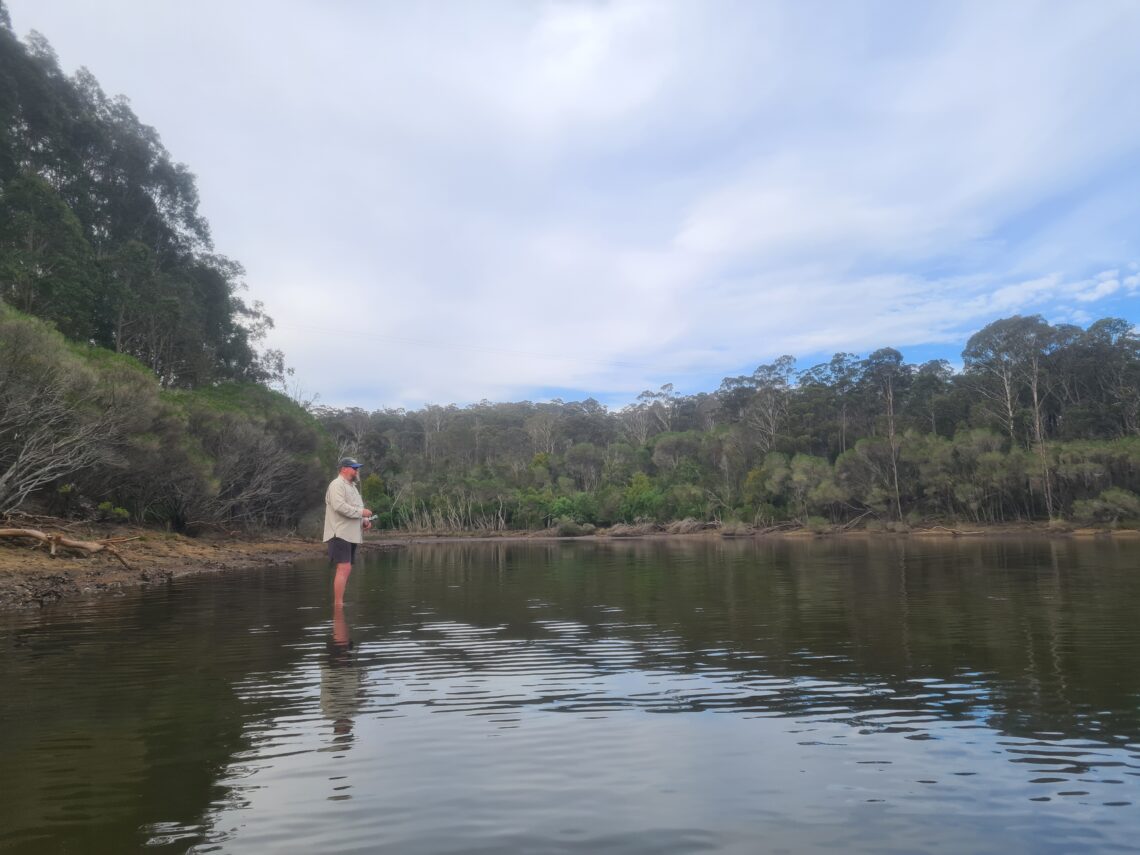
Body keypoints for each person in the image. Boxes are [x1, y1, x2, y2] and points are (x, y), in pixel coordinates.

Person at [323, 457, 373, 606]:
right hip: (339, 533)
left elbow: (356, 508)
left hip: (351, 534)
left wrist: (365, 521)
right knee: (343, 567)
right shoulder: (336, 484)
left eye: (357, 468)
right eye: (354, 467)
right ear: (344, 469)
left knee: (347, 568)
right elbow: (340, 506)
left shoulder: (353, 487)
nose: (356, 470)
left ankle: (339, 604)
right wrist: (361, 512)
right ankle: (338, 605)